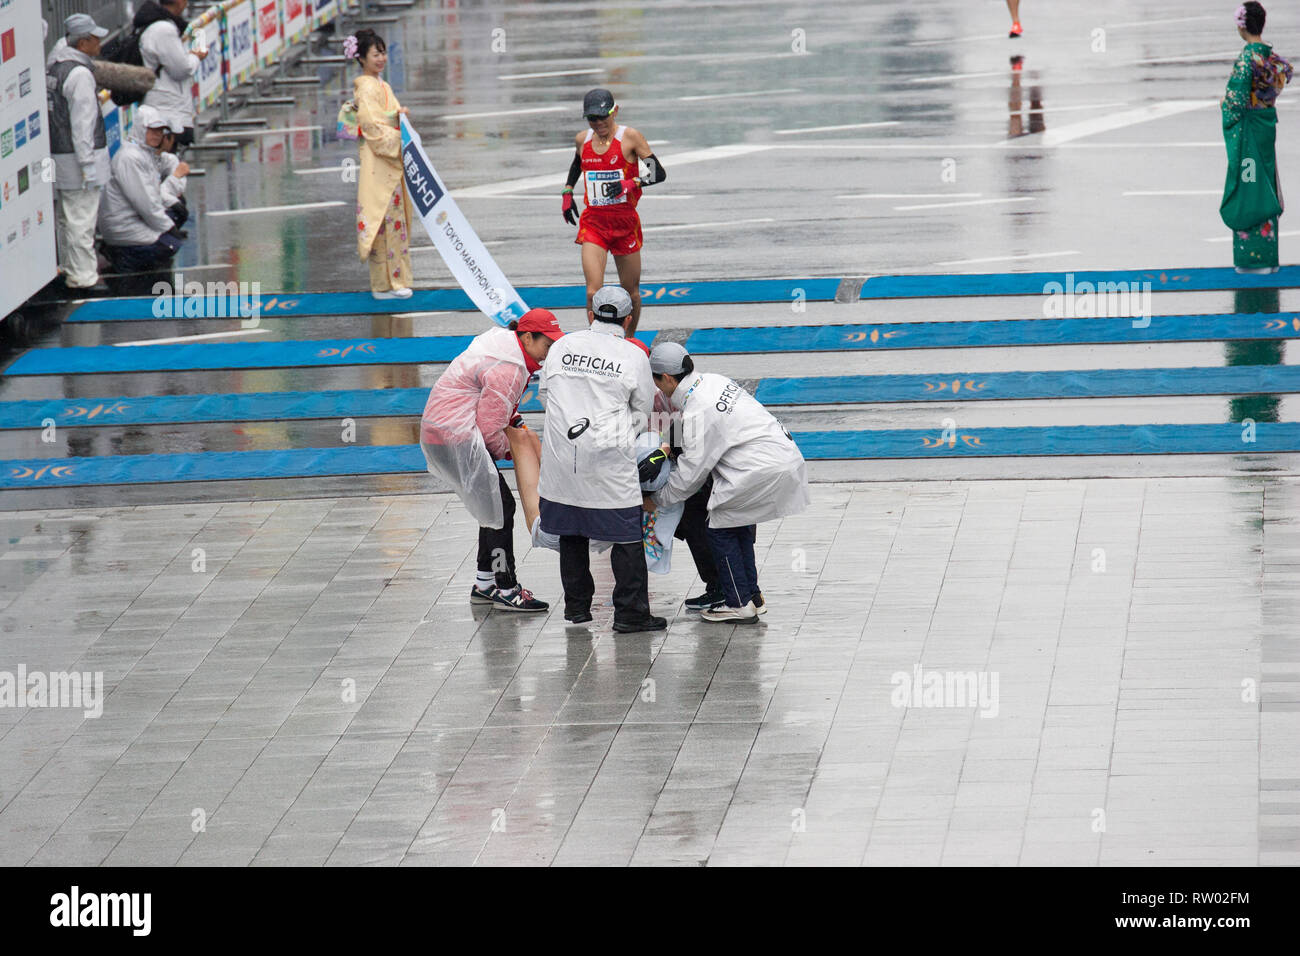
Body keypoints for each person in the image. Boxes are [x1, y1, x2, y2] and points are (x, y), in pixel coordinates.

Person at [646, 343, 810, 624]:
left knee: (719, 529)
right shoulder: (712, 381)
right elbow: (692, 427)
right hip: (779, 457)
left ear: (668, 378)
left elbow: (689, 476)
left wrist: (656, 499)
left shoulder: (699, 408)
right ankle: (752, 597)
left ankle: (738, 603)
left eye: (657, 381)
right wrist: (668, 444)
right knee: (736, 524)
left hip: (760, 469)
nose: (658, 388)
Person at [537, 286, 666, 632]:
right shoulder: (633, 356)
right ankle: (631, 614)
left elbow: (546, 395)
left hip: (563, 454)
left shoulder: (562, 345)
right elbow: (642, 410)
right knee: (625, 534)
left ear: (590, 314)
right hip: (610, 457)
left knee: (572, 531)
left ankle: (577, 608)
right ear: (628, 319)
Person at [420, 309, 563, 612]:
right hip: (455, 435)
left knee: (491, 507)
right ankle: (505, 587)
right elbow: (489, 431)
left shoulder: (505, 348)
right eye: (547, 345)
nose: (550, 353)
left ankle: (485, 584)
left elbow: (500, 407)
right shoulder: (509, 368)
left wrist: (520, 428)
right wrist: (515, 452)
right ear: (527, 337)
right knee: (501, 508)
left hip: (442, 430)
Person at [561, 89, 667, 336]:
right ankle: (595, 342)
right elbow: (578, 162)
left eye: (602, 118)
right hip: (594, 223)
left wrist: (632, 183)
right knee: (592, 291)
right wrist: (567, 191)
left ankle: (628, 340)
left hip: (624, 224)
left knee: (630, 292)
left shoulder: (630, 138)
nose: (598, 124)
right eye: (592, 119)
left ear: (614, 111)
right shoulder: (582, 140)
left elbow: (658, 173)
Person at [1221, 2, 1293, 273]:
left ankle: (1250, 260)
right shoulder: (1270, 59)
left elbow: (1236, 101)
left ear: (1242, 26)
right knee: (1265, 184)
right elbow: (1279, 79)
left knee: (1248, 186)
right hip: (1266, 127)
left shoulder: (1246, 59)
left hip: (1248, 131)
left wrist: (1224, 104)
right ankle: (1268, 256)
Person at [46, 14, 111, 293]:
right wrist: (88, 166)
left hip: (59, 156)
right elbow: (83, 125)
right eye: (95, 37)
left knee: (67, 217)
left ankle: (71, 269)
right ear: (83, 42)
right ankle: (84, 277)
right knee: (82, 219)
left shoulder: (55, 64)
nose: (100, 41)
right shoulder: (80, 75)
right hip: (78, 158)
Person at [348, 29, 415, 300]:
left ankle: (393, 281)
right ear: (362, 58)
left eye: (383, 53)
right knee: (381, 220)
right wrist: (399, 137)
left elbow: (388, 117)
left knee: (393, 220)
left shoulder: (382, 85)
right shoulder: (365, 87)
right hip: (379, 161)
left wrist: (400, 118)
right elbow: (371, 126)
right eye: (375, 54)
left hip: (388, 161)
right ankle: (387, 283)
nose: (381, 58)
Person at [98, 106, 186, 274]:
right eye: (152, 131)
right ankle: (122, 257)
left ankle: (128, 254)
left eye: (160, 131)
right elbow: (146, 204)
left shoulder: (144, 153)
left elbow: (153, 195)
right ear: (140, 129)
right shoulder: (130, 158)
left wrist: (173, 205)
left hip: (132, 220)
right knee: (170, 243)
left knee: (177, 211)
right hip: (122, 226)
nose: (157, 135)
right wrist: (169, 228)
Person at [136, 0, 207, 148]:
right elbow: (181, 70)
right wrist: (196, 57)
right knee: (169, 165)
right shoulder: (163, 29)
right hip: (168, 111)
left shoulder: (153, 24)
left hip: (163, 107)